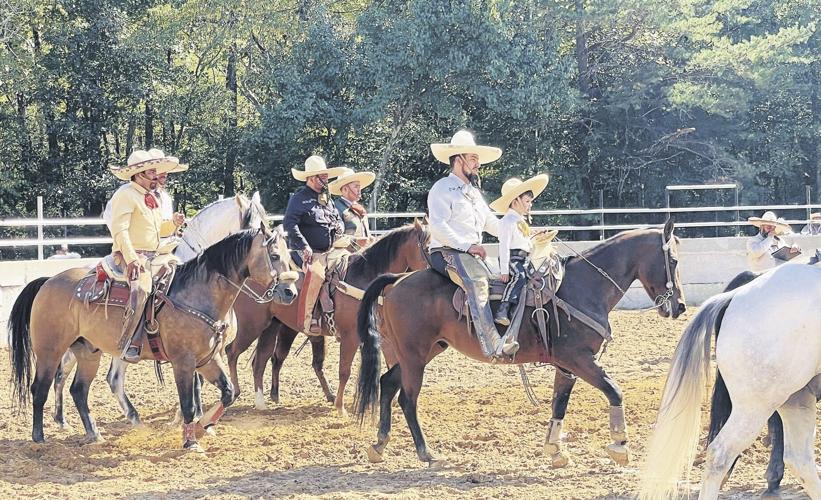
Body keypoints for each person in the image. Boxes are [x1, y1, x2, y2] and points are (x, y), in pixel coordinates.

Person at [427, 130, 518, 358]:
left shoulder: (474, 193)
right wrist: (467, 245)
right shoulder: (441, 188)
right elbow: (437, 226)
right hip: (446, 252)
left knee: (504, 274)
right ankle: (493, 345)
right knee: (478, 283)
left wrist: (518, 230)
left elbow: (490, 223)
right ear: (458, 159)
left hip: (471, 254)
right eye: (473, 158)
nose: (478, 164)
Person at [107, 149, 187, 362]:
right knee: (142, 288)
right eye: (152, 173)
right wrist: (132, 259)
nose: (156, 177)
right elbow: (120, 230)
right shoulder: (125, 195)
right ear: (139, 175)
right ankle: (131, 341)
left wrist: (173, 224)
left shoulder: (149, 197)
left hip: (154, 254)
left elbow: (157, 230)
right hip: (130, 254)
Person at [283, 155, 346, 334]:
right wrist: (304, 246)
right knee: (316, 274)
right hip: (308, 251)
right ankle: (307, 319)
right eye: (323, 177)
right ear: (311, 178)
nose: (326, 180)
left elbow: (337, 218)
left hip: (330, 249)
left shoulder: (327, 199)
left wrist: (340, 227)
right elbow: (290, 224)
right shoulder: (298, 199)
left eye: (326, 176)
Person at [490, 174, 550, 326]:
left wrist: (536, 234)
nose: (530, 205)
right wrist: (504, 270)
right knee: (520, 277)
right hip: (513, 258)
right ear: (515, 200)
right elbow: (504, 246)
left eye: (530, 201)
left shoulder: (519, 221)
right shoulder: (507, 221)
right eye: (527, 201)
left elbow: (524, 238)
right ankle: (503, 309)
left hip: (524, 257)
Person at [329, 167, 376, 249]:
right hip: (345, 256)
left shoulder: (359, 209)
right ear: (345, 189)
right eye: (356, 187)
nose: (359, 190)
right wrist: (356, 241)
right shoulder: (335, 209)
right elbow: (334, 238)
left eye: (359, 187)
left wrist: (370, 239)